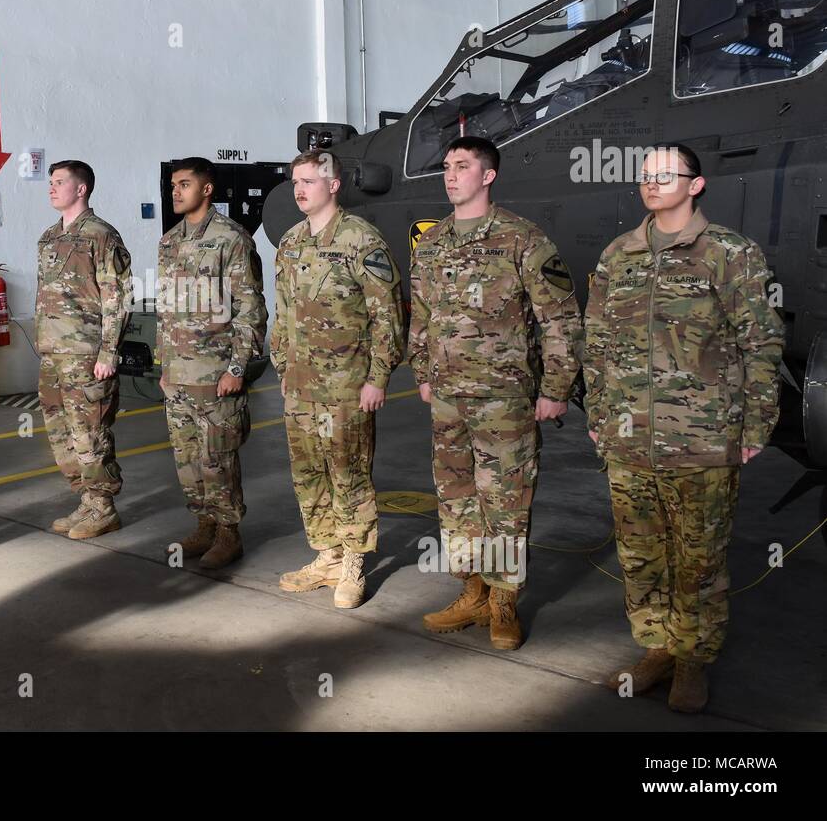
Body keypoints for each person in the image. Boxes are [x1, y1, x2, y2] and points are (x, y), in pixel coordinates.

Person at [584, 142, 783, 712]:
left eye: (666, 175)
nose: (651, 183)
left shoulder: (728, 252)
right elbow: (595, 342)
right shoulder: (619, 254)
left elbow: (761, 341)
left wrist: (754, 424)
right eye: (645, 176)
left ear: (695, 184)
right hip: (627, 435)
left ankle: (693, 661)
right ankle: (655, 649)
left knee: (699, 557)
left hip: (700, 436)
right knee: (641, 553)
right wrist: (598, 414)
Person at [410, 136, 582, 650]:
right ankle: (472, 591)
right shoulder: (434, 241)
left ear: (488, 175)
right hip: (446, 397)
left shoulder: (522, 239)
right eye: (446, 166)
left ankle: (505, 600)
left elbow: (560, 318)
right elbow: (420, 314)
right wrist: (421, 370)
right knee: (456, 496)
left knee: (505, 499)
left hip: (504, 399)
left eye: (462, 166)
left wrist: (555, 388)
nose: (450, 175)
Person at [272, 150, 403, 609]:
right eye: (295, 182)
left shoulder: (360, 240)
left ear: (334, 185)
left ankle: (353, 561)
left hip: (347, 385)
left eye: (309, 181)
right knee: (307, 473)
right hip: (300, 383)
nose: (300, 190)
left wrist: (379, 377)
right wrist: (281, 364)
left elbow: (386, 315)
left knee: (348, 473)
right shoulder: (289, 242)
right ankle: (326, 554)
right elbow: (283, 311)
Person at [156, 157, 266, 568]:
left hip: (217, 373)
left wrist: (237, 367)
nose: (175, 192)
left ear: (207, 189)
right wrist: (164, 365)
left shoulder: (231, 238)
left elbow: (251, 307)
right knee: (186, 460)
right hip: (179, 375)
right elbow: (166, 309)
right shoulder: (169, 242)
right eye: (172, 185)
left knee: (218, 458)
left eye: (184, 184)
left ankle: (228, 533)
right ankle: (203, 525)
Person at [36, 159, 132, 540]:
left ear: (82, 189)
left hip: (86, 354)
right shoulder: (48, 237)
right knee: (60, 431)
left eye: (60, 182)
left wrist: (109, 352)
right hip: (52, 352)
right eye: (51, 182)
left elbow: (118, 297)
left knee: (90, 432)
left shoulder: (101, 236)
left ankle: (104, 506)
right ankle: (86, 499)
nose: (52, 187)